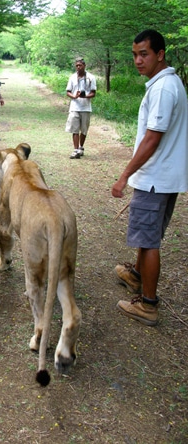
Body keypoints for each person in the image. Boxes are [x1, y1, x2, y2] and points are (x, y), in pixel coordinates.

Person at [112, 29, 188, 327]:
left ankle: (148, 304)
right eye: (134, 55)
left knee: (149, 239)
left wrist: (124, 176)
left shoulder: (163, 89)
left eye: (144, 54)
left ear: (160, 54)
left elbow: (152, 139)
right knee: (147, 237)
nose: (138, 60)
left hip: (155, 178)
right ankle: (137, 277)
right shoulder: (165, 84)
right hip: (163, 177)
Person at [66, 58, 97, 158]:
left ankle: (81, 147)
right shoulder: (72, 77)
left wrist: (85, 96)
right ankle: (75, 150)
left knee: (84, 130)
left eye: (80, 65)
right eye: (77, 66)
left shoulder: (91, 78)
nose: (78, 67)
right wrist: (74, 96)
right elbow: (68, 91)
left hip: (86, 107)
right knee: (75, 129)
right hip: (74, 106)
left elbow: (93, 93)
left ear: (84, 66)